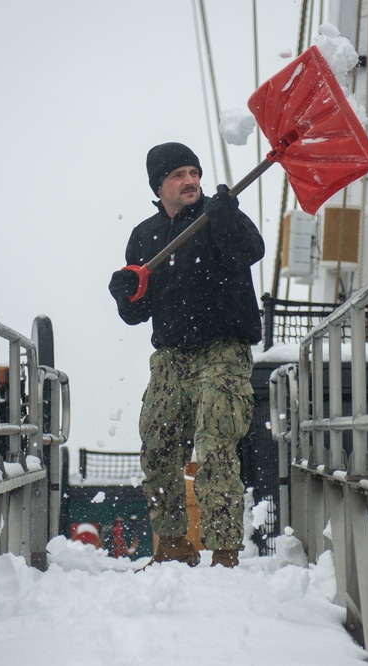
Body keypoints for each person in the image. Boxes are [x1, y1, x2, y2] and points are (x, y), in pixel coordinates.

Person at [108, 142, 265, 569]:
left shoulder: (220, 214)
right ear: (159, 186)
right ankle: (173, 546)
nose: (191, 180)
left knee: (215, 447)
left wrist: (227, 218)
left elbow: (249, 252)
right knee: (157, 449)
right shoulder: (144, 236)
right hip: (172, 357)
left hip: (224, 350)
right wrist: (123, 293)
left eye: (194, 172)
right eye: (178, 174)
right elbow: (137, 313)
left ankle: (225, 553)